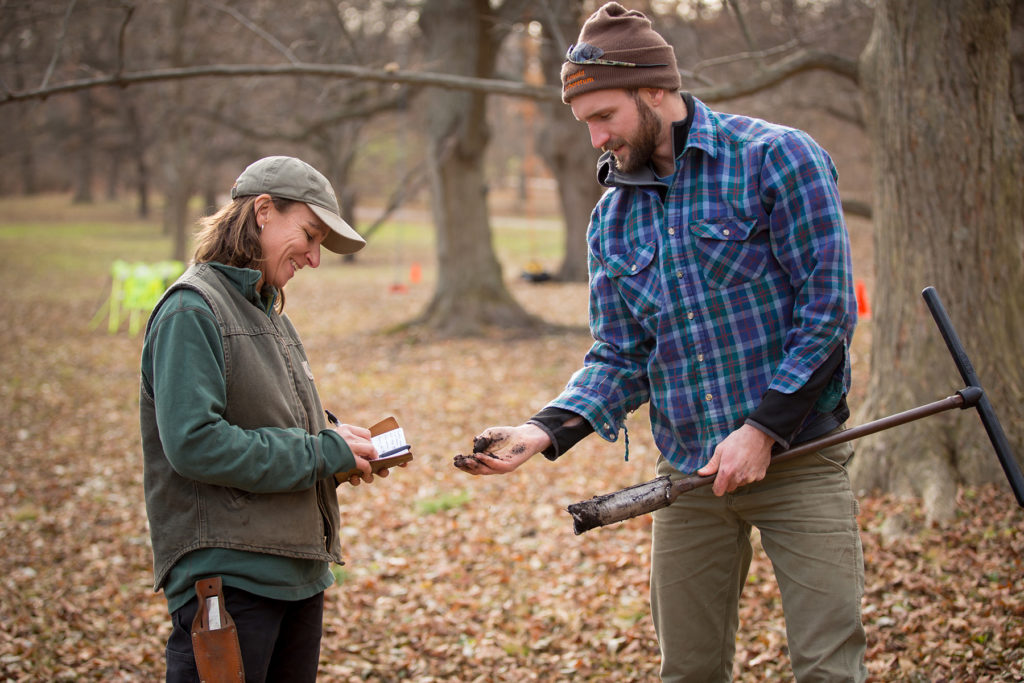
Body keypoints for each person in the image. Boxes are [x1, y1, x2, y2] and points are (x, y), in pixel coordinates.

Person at [454, 3, 866, 681]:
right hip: (688, 474)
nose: (596, 139)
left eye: (604, 116)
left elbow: (827, 311)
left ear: (654, 90)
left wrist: (762, 430)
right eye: (585, 123)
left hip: (799, 456)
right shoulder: (611, 219)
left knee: (828, 668)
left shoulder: (776, 158)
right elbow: (621, 355)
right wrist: (542, 429)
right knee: (688, 670)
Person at [140, 155, 384, 682]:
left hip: (298, 575)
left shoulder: (268, 313)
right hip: (232, 582)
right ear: (264, 210)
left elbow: (271, 420)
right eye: (310, 235)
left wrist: (334, 443)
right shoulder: (192, 310)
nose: (314, 258)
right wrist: (320, 451)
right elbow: (196, 443)